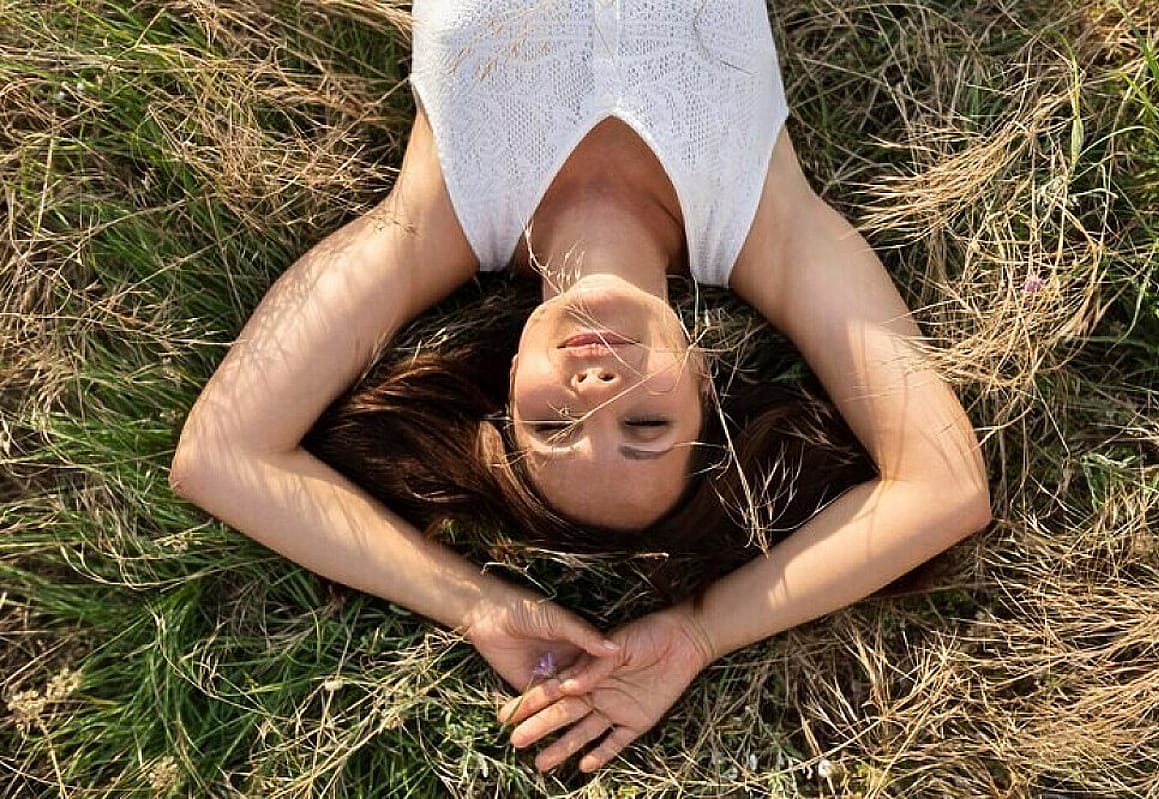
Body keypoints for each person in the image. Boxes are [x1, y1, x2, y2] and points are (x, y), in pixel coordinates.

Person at [169, 0, 991, 776]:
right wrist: (700, 632)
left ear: (509, 380)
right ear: (704, 381)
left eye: (557, 425)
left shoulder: (437, 220)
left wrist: (476, 605)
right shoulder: (768, 228)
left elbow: (222, 454)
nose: (596, 384)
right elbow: (943, 485)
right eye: (644, 424)